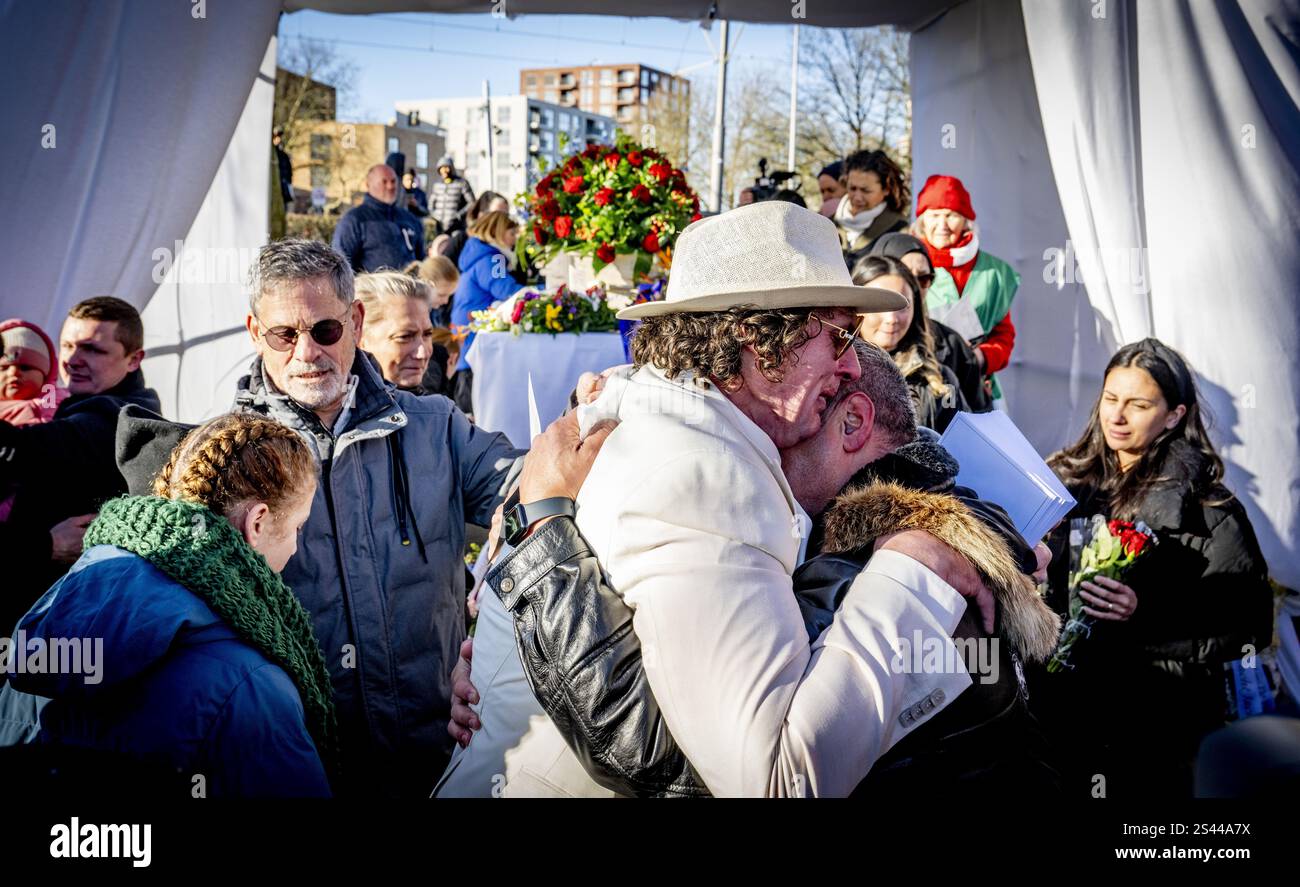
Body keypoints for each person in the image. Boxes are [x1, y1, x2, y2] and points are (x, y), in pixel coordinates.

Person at [433, 200, 993, 798]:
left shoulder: (669, 421)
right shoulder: (703, 473)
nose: (854, 363)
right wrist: (911, 570)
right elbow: (778, 781)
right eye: (841, 334)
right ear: (755, 338)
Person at [445, 340, 1061, 798]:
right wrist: (512, 659)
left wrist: (544, 534)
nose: (758, 453)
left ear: (853, 423)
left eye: (795, 425)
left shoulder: (870, 558)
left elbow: (659, 755)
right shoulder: (936, 512)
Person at [114, 239, 525, 798]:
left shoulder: (436, 425)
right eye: (285, 334)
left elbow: (525, 483)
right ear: (256, 332)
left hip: (440, 750)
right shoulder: (223, 458)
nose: (306, 352)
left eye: (324, 330)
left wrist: (565, 451)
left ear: (355, 320)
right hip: (300, 766)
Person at [0, 413, 335, 797]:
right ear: (257, 523)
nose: (295, 545)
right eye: (297, 527)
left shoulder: (48, 630)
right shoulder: (251, 688)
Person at [1032, 338, 1273, 797]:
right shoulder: (1062, 482)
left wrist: (1146, 614)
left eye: (1139, 405)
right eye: (1110, 399)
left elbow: (1249, 623)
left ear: (1175, 414)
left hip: (1153, 723)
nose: (1117, 417)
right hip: (1060, 710)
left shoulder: (1209, 509)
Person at [0, 298, 159, 633]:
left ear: (134, 359)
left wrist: (38, 547)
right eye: (68, 346)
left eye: (92, 349)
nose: (72, 360)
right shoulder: (83, 407)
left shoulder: (119, 418)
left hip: (62, 628)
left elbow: (27, 448)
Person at [912, 174, 1019, 406]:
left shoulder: (995, 272)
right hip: (922, 387)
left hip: (980, 385)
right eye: (934, 215)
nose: (942, 225)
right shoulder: (908, 263)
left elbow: (1004, 334)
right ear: (922, 220)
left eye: (950, 215)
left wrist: (979, 358)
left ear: (966, 220)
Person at [869, 231, 992, 412]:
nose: (915, 286)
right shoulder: (840, 346)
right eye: (905, 275)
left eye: (924, 278)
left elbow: (978, 418)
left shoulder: (952, 343)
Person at [851, 255, 969, 433]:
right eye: (879, 305)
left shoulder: (940, 381)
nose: (892, 319)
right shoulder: (832, 374)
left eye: (902, 305)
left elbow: (963, 447)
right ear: (854, 307)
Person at [448, 211, 525, 417]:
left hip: (464, 337)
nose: (514, 239)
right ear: (499, 232)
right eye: (511, 233)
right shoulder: (493, 259)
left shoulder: (477, 254)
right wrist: (535, 293)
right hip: (474, 342)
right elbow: (506, 291)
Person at [331, 163, 425, 273]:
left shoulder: (410, 219)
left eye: (393, 181)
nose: (390, 186)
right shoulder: (354, 221)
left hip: (411, 288)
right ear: (368, 184)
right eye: (384, 182)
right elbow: (340, 268)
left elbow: (421, 261)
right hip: (373, 288)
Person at [355, 271, 436, 393]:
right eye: (404, 337)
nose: (422, 354)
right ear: (359, 338)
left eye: (427, 334)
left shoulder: (440, 409)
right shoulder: (335, 409)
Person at [834, 148, 910, 265]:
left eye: (866, 191)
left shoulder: (899, 231)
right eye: (852, 188)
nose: (857, 197)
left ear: (886, 189)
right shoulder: (827, 223)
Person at [434, 190, 510, 270]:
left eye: (506, 215)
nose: (503, 220)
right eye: (497, 215)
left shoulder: (509, 243)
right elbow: (440, 271)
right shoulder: (462, 240)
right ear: (481, 215)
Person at [405, 253, 459, 328]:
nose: (446, 301)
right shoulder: (407, 313)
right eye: (441, 295)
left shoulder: (432, 310)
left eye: (449, 296)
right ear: (426, 284)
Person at [428, 154, 475, 236]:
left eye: (447, 167)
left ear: (452, 168)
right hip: (440, 226)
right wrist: (435, 215)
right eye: (442, 168)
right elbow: (431, 204)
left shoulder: (462, 183)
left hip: (456, 226)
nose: (444, 170)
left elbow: (472, 202)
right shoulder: (437, 185)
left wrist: (458, 215)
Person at [273, 127, 294, 208]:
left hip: (283, 186)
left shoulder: (284, 156)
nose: (279, 139)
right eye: (276, 137)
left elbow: (289, 174)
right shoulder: (274, 154)